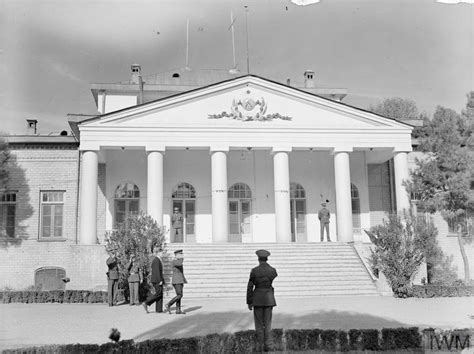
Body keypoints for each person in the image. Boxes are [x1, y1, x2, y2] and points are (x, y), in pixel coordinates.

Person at [247, 249, 278, 352]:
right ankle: (268, 346)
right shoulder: (272, 270)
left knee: (259, 324)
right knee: (268, 324)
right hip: (269, 299)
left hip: (258, 299)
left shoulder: (254, 271)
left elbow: (250, 287)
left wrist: (249, 301)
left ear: (259, 259)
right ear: (267, 259)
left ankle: (260, 346)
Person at [142, 247, 165, 313]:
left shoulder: (158, 260)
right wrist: (160, 280)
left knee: (160, 294)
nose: (162, 254)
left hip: (157, 279)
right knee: (158, 293)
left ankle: (159, 309)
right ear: (158, 253)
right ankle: (146, 302)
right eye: (161, 253)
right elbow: (156, 271)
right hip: (156, 280)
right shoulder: (156, 260)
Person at [165, 249, 187, 314]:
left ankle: (178, 310)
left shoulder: (177, 261)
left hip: (180, 280)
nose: (182, 256)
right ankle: (168, 304)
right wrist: (181, 258)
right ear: (177, 255)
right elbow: (180, 263)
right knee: (180, 295)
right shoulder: (174, 261)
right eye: (181, 254)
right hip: (176, 281)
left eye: (182, 254)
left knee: (179, 295)